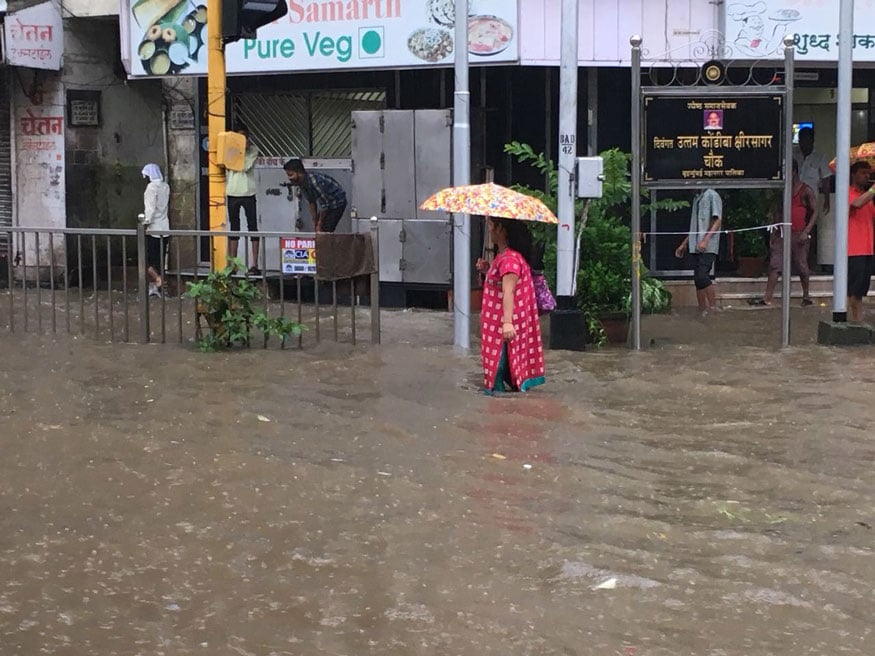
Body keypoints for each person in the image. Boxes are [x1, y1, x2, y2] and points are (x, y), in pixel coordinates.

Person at [475, 218, 545, 393]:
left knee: (498, 367)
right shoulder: (506, 258)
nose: (490, 231)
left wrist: (507, 323)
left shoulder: (509, 260)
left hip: (502, 324)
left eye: (491, 226)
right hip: (499, 322)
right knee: (506, 366)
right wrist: (487, 270)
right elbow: (501, 285)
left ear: (501, 229)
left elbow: (509, 291)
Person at [751, 160, 817, 307]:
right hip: (781, 233)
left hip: (800, 233)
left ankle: (806, 296)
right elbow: (777, 211)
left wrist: (807, 231)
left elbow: (815, 212)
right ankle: (767, 298)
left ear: (794, 171)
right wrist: (774, 230)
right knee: (775, 265)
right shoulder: (782, 190)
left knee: (802, 266)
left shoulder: (806, 190)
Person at [675, 188, 722, 316]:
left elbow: (717, 220)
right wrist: (684, 244)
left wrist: (705, 240)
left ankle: (713, 308)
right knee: (698, 279)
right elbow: (694, 227)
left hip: (708, 245)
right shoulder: (697, 198)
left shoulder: (712, 195)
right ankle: (702, 310)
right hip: (695, 245)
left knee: (702, 275)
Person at [226, 126, 261, 274]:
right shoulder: (230, 150)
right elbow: (228, 165)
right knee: (234, 228)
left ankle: (254, 264)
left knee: (252, 227)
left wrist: (242, 149)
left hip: (248, 192)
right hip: (233, 192)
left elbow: (244, 166)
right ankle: (233, 264)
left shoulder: (253, 150)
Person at [283, 158, 347, 233]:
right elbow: (311, 202)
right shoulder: (302, 183)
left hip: (337, 201)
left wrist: (319, 224)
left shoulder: (315, 182)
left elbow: (325, 205)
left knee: (325, 230)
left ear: (299, 172)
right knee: (319, 228)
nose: (289, 178)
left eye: (291, 175)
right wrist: (315, 222)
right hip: (326, 203)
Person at [846, 161, 875, 322]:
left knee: (861, 290)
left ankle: (858, 319)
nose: (867, 176)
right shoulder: (848, 193)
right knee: (854, 290)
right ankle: (857, 321)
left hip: (868, 248)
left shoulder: (868, 198)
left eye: (868, 173)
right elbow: (856, 204)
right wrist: (873, 190)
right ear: (854, 174)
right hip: (854, 249)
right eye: (863, 173)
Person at [141, 163, 170, 298]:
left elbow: (150, 208)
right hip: (165, 228)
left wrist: (145, 222)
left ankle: (158, 281)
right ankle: (155, 288)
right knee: (160, 259)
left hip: (154, 229)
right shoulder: (165, 186)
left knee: (147, 260)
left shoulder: (151, 188)